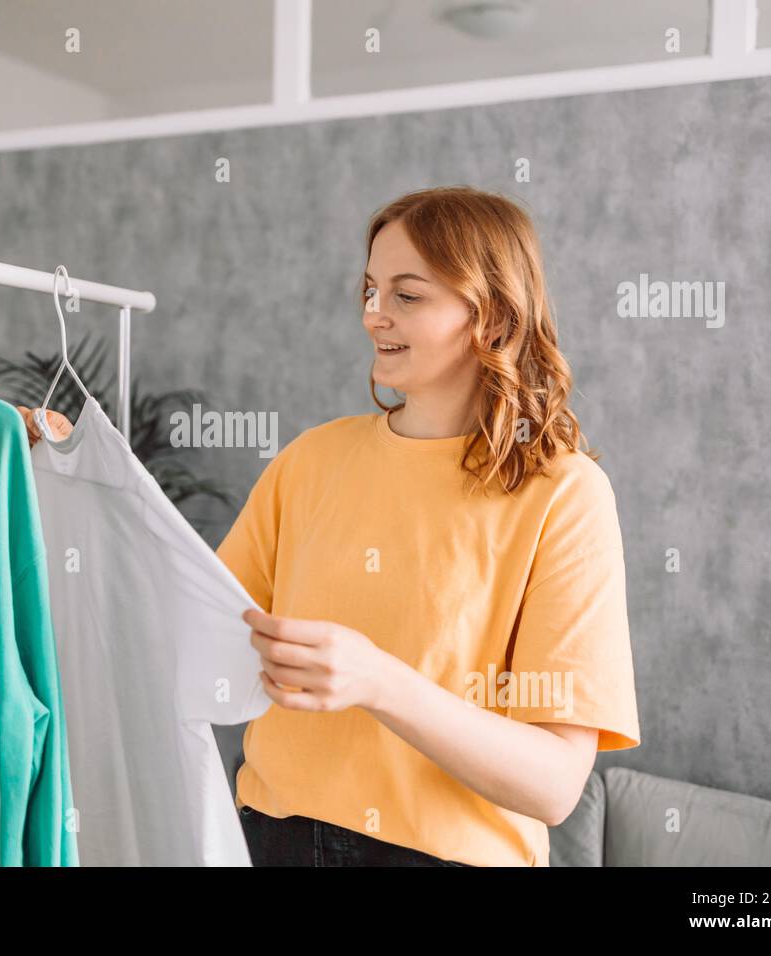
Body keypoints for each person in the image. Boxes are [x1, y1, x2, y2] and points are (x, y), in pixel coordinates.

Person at [215, 186, 642, 867]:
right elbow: (198, 627)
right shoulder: (310, 460)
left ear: (494, 317)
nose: (373, 316)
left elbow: (557, 785)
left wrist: (379, 682)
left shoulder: (565, 496)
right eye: (369, 291)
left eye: (407, 296)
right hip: (270, 838)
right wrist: (72, 470)